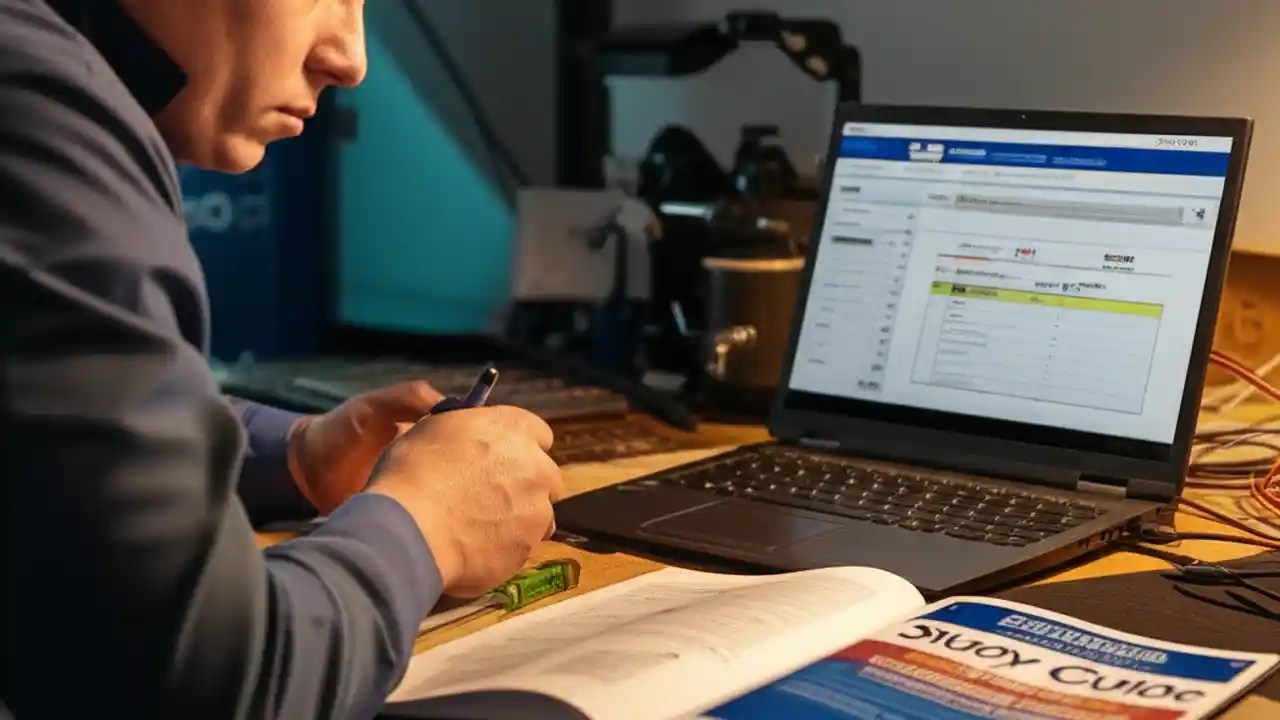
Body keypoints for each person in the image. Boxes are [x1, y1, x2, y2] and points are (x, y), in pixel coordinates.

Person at [1, 1, 564, 718]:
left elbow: (43, 453)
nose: (350, 59)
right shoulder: (36, 116)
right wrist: (425, 527)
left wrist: (299, 455)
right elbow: (208, 684)